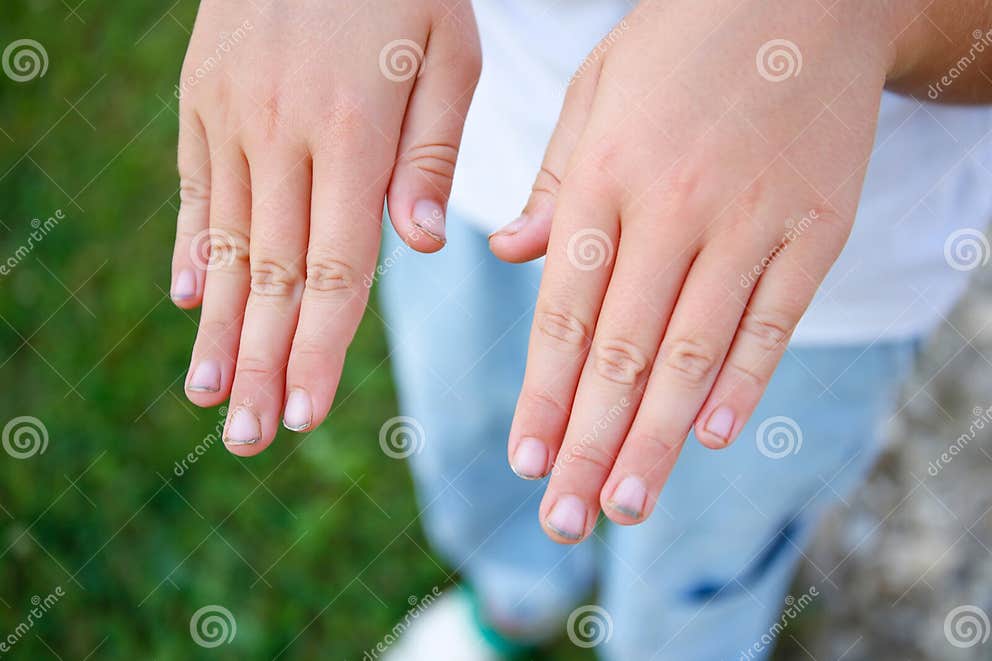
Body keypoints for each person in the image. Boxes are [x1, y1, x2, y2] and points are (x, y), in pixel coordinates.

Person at [170, 1, 992, 658]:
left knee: (706, 551)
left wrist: (860, 16)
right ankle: (515, 598)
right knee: (478, 438)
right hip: (467, 144)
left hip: (796, 257)